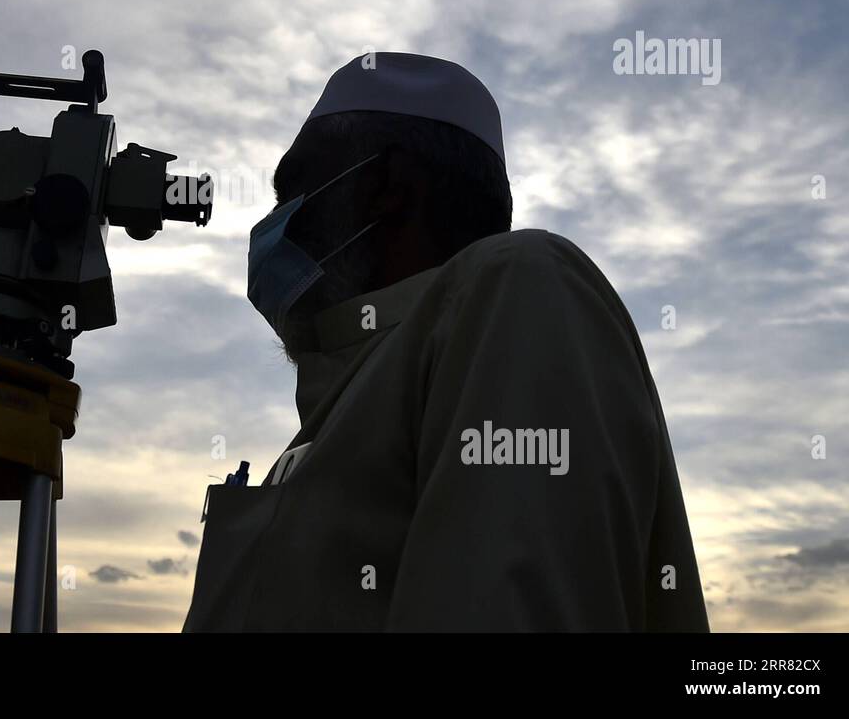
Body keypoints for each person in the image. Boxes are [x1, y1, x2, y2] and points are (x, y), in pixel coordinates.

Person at [183, 52, 709, 631]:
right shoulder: (355, 399)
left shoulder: (519, 285)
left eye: (293, 189)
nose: (276, 221)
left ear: (388, 186)